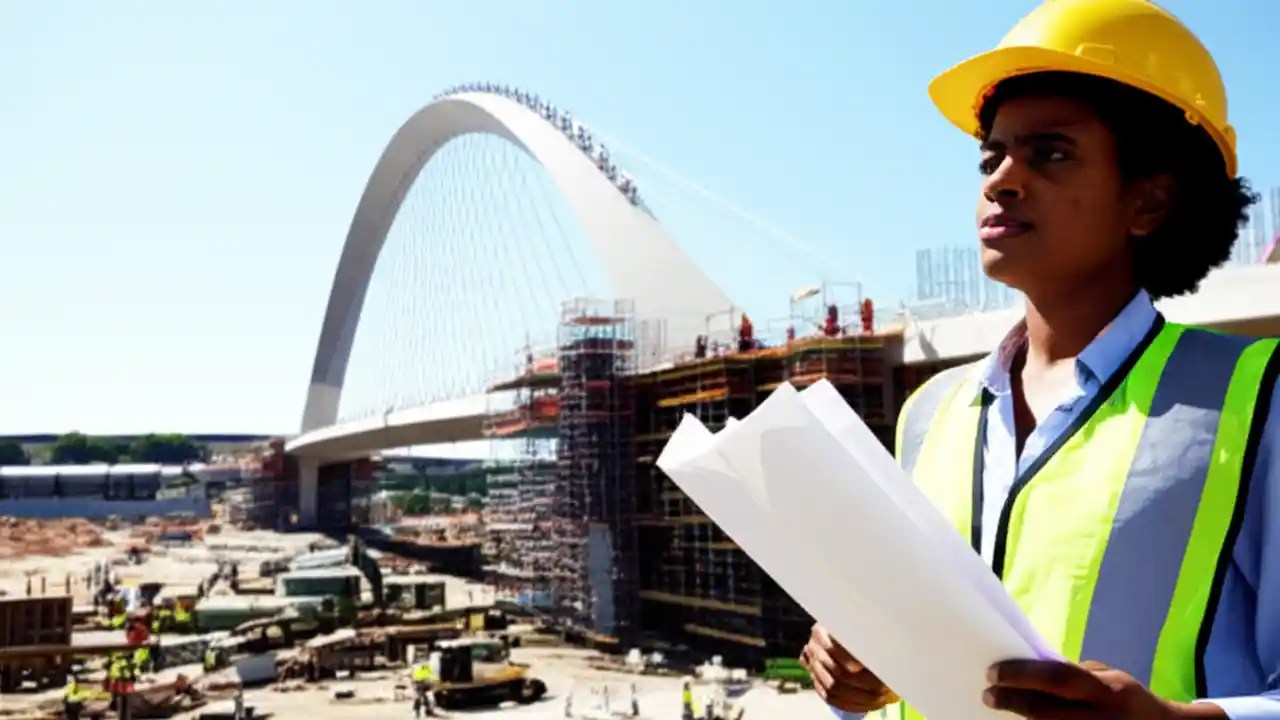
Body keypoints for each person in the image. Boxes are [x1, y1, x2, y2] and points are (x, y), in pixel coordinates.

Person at [800, 1, 1279, 718]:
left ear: (1147, 203)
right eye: (990, 157)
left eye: (1051, 154)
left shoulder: (1258, 398)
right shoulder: (929, 415)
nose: (1001, 180)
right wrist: (857, 668)